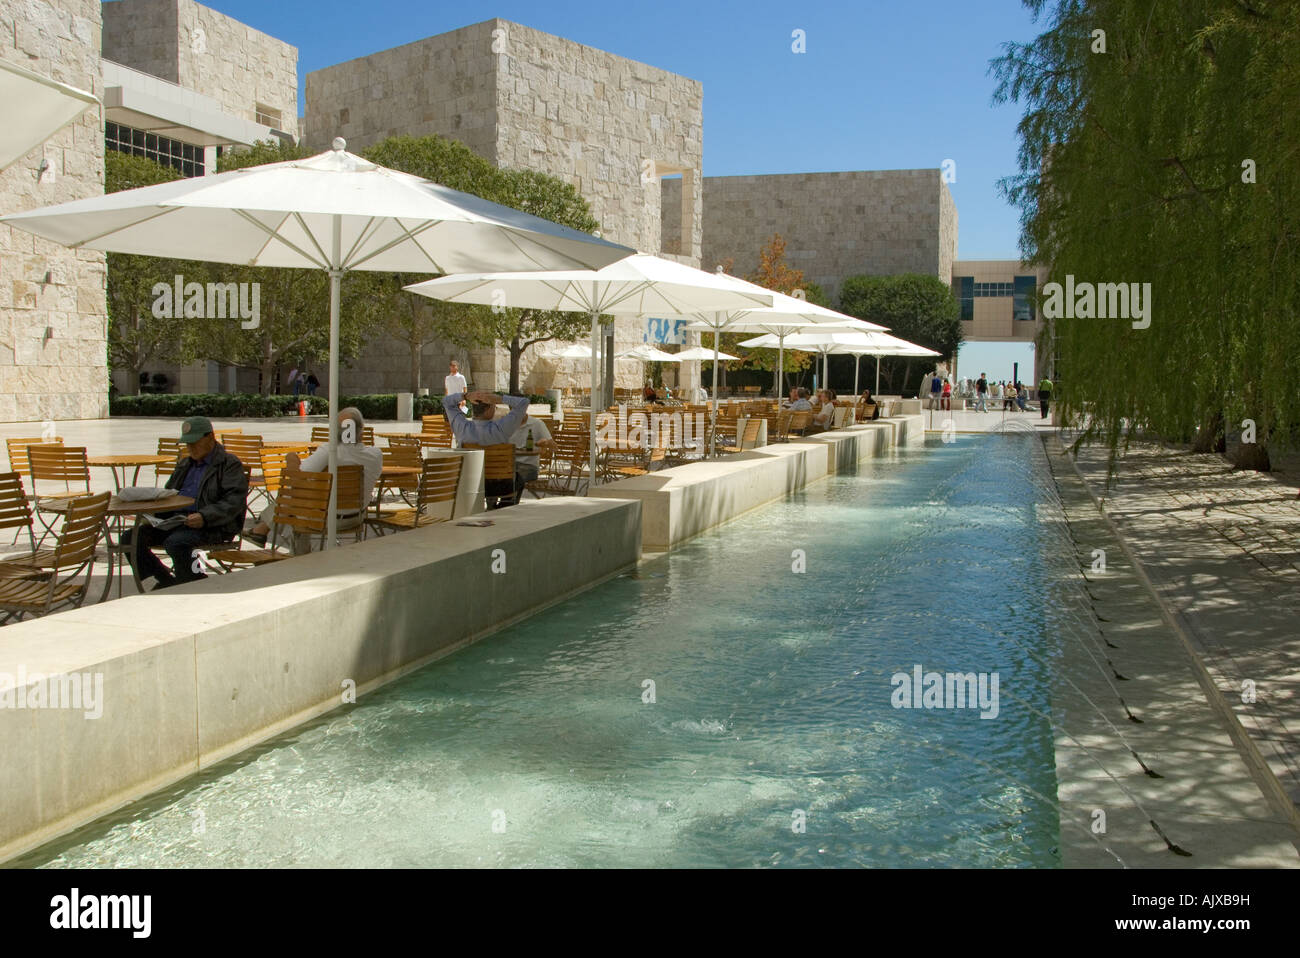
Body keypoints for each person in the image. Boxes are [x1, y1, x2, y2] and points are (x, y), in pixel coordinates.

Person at [123, 416, 248, 590]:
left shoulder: (228, 464)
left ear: (210, 437)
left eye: (195, 442)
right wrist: (153, 515)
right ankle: (167, 582)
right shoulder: (185, 464)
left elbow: (234, 501)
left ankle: (192, 583)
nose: (190, 448)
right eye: (187, 443)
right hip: (178, 520)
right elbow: (169, 493)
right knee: (130, 538)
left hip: (213, 525)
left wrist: (204, 516)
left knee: (176, 542)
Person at [244, 407, 383, 551]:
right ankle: (261, 531)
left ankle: (284, 545)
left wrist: (292, 459)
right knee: (299, 501)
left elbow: (299, 476)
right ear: (362, 431)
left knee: (296, 497)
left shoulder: (330, 451)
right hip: (356, 519)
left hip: (324, 519)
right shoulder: (376, 455)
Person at [503, 408, 555, 508]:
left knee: (516, 476)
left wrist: (545, 443)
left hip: (529, 466)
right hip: (510, 465)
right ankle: (499, 504)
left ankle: (504, 506)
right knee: (497, 475)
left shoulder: (537, 424)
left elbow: (553, 446)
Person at [443, 389, 530, 447]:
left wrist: (466, 396)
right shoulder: (501, 428)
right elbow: (524, 402)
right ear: (487, 410)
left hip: (470, 474)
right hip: (499, 474)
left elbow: (446, 401)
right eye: (494, 406)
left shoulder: (462, 428)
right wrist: (499, 398)